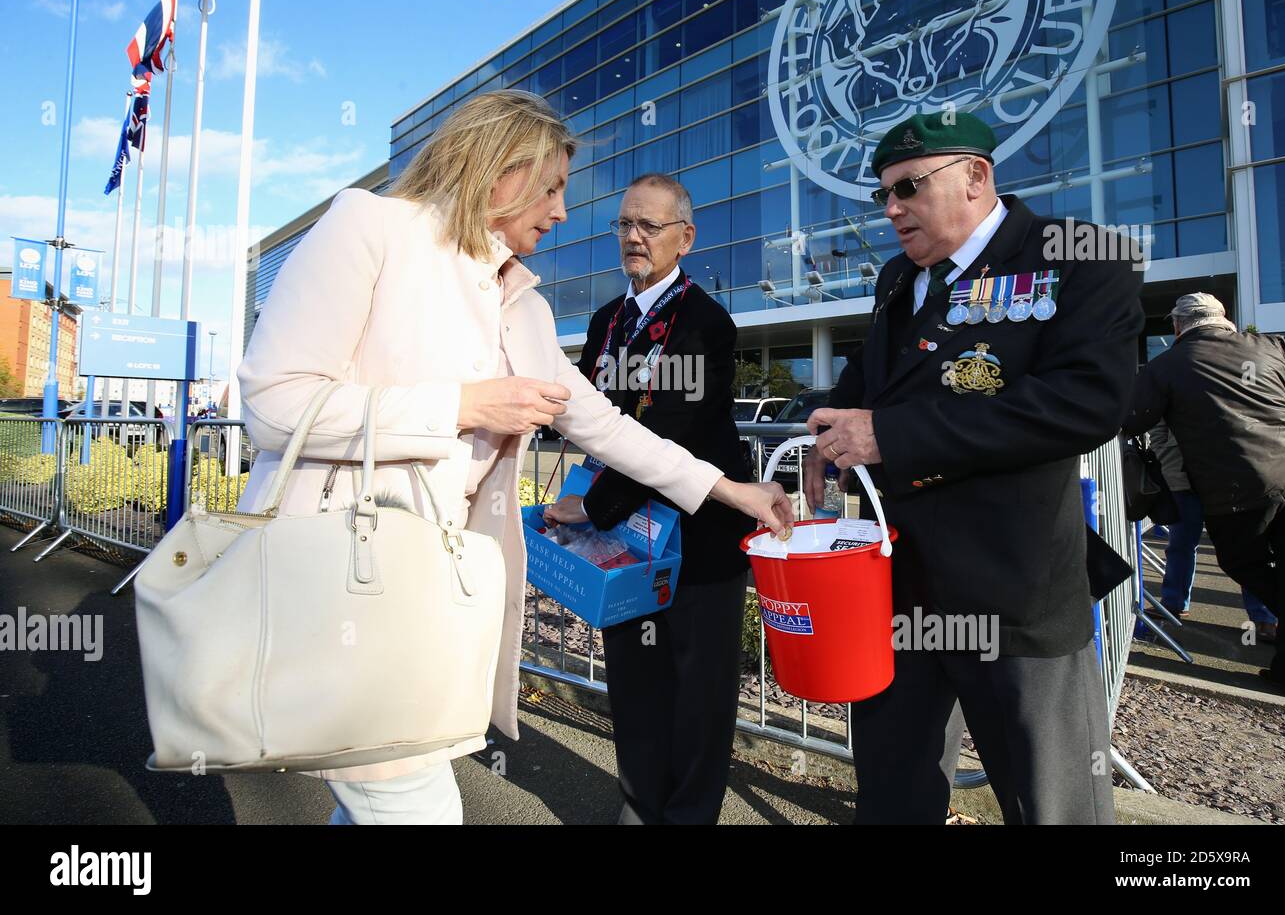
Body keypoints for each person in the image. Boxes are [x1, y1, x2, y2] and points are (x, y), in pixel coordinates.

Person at [235, 90, 794, 825]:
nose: (565, 210)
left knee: (382, 795)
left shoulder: (522, 301)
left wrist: (733, 491)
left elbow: (608, 427)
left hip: (435, 595)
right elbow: (272, 401)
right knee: (414, 804)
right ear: (499, 168)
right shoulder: (369, 228)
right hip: (348, 578)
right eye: (554, 185)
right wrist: (463, 405)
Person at [802, 112, 1144, 824]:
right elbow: (876, 370)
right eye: (883, 195)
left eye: (907, 188)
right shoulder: (900, 276)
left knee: (1053, 803)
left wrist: (889, 436)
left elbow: (1085, 406)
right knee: (893, 789)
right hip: (897, 589)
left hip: (1014, 591)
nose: (891, 208)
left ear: (976, 177)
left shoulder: (1080, 257)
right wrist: (829, 428)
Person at [543, 173, 755, 824]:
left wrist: (593, 504)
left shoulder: (706, 323)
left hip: (699, 542)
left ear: (685, 238)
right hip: (626, 545)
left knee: (699, 702)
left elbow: (670, 428)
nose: (633, 237)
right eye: (624, 225)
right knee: (635, 690)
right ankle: (639, 809)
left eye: (649, 226)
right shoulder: (606, 321)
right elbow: (594, 417)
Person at [1124, 293, 1285, 693]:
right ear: (1224, 320)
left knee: (1242, 562)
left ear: (1178, 326)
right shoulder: (1273, 345)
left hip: (1236, 489)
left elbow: (1131, 419)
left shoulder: (1167, 366)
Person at [1138, 422, 1276, 641]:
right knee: (1181, 544)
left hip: (1230, 478)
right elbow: (1158, 422)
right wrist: (1166, 455)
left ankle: (1264, 616)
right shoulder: (1176, 387)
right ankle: (1174, 603)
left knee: (1246, 549)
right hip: (1186, 477)